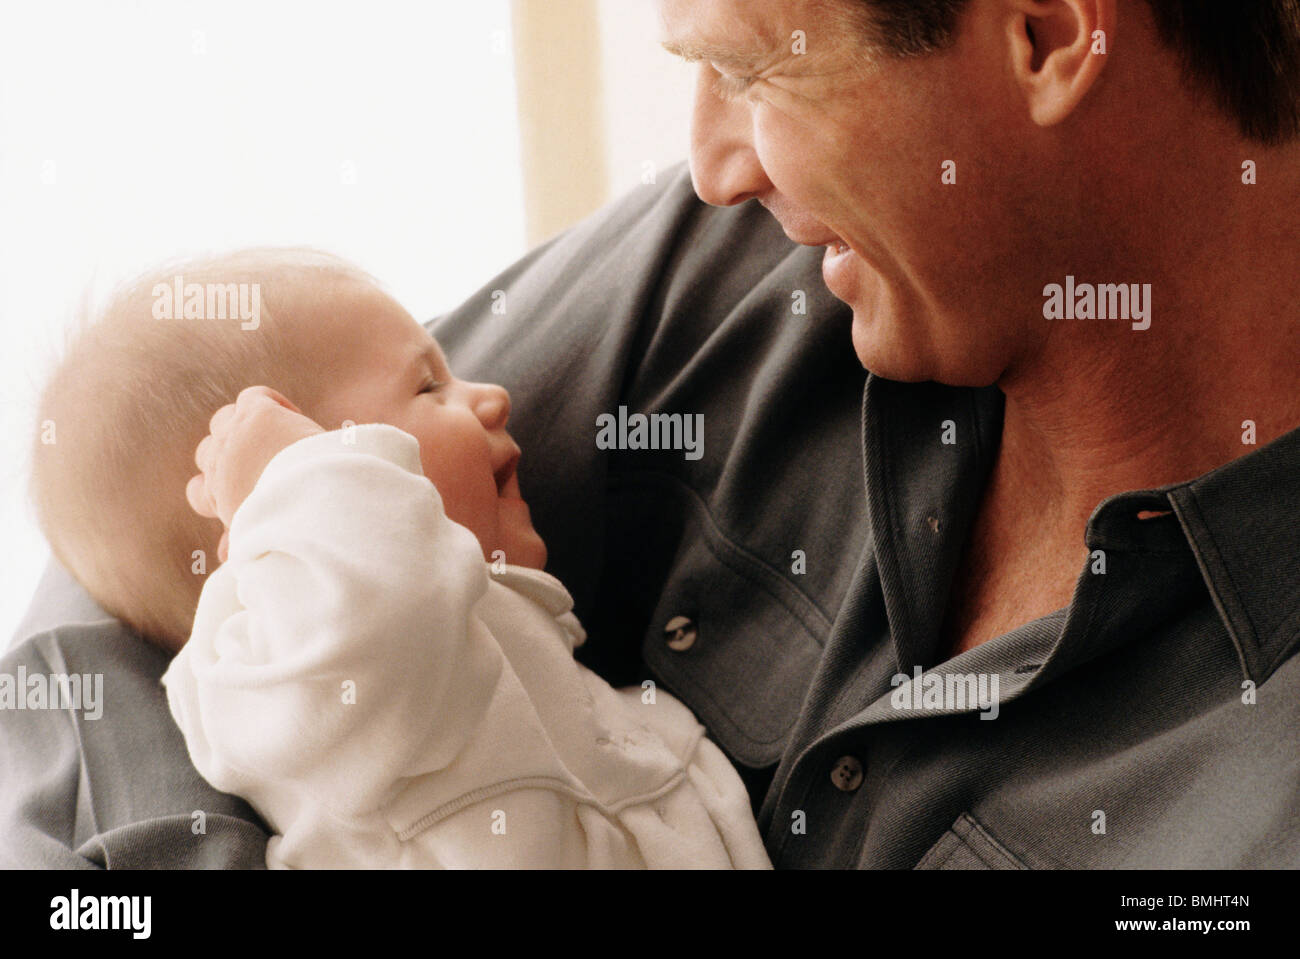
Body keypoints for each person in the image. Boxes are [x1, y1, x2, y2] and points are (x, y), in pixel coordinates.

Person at [5, 0, 1299, 868]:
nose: (712, 165)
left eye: (750, 67)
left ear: (1048, 33)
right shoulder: (737, 274)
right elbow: (139, 523)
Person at [27, 247, 769, 868]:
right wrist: (299, 484)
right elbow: (377, 611)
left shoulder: (472, 616)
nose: (494, 395)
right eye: (428, 384)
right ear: (278, 514)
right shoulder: (274, 668)